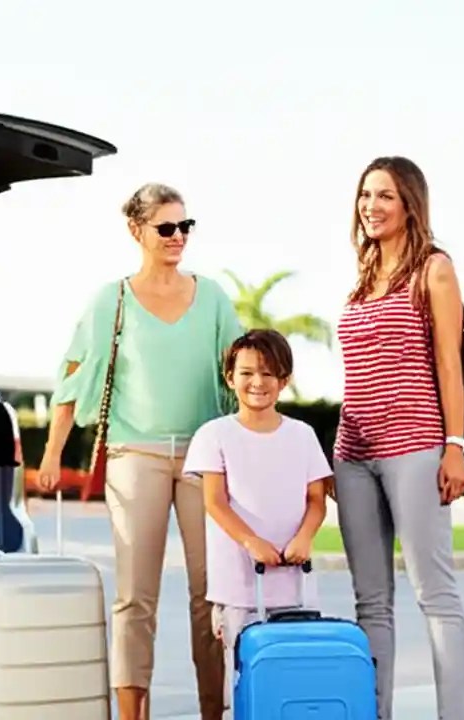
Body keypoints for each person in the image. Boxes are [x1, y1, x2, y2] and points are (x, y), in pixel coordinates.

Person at [37, 182, 243, 720]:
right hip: (136, 455)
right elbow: (74, 373)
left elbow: (244, 372)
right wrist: (53, 452)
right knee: (135, 597)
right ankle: (132, 715)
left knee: (211, 596)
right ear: (137, 231)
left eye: (185, 226)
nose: (178, 237)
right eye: (166, 227)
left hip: (204, 459)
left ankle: (213, 711)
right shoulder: (114, 300)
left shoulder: (213, 296)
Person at [333, 156, 464, 719]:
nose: (372, 206)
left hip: (415, 446)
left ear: (411, 203)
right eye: (366, 195)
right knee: (371, 603)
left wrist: (455, 445)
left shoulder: (433, 269)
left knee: (435, 596)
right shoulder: (363, 276)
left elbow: (449, 363)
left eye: (385, 195)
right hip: (354, 454)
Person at [181, 329, 332, 708]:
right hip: (239, 587)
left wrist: (304, 538)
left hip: (296, 585)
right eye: (247, 373)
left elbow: (317, 499)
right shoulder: (214, 435)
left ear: (285, 380)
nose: (257, 382)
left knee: (292, 683)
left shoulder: (302, 435)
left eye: (268, 373)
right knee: (244, 683)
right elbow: (215, 502)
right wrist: (252, 543)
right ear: (230, 378)